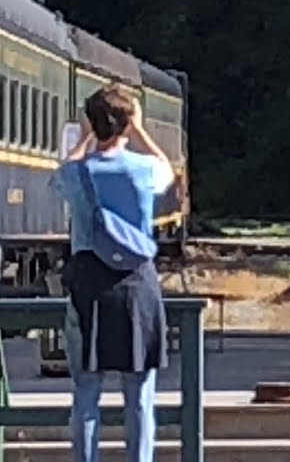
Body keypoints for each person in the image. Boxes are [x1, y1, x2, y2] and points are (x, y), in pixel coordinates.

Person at [53, 86, 176, 462]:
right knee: (139, 392)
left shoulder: (78, 173)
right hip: (137, 284)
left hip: (89, 284)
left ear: (90, 121)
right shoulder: (143, 170)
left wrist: (86, 137)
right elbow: (168, 173)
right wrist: (138, 131)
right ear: (126, 124)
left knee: (86, 390)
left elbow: (62, 173)